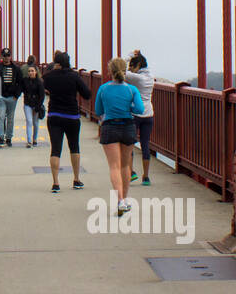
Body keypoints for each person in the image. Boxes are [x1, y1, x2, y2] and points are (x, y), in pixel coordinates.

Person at [93, 57, 144, 214]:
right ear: (125, 71)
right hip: (128, 127)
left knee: (114, 166)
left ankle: (120, 200)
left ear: (110, 71)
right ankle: (126, 200)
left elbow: (98, 111)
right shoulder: (131, 90)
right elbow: (140, 110)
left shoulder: (103, 89)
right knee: (125, 165)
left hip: (110, 127)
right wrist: (128, 107)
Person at [42, 50, 91, 191]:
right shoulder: (74, 76)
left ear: (56, 62)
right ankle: (76, 179)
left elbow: (41, 87)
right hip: (72, 116)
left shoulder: (49, 77)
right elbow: (87, 94)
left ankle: (56, 183)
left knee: (55, 149)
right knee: (74, 147)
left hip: (55, 115)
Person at [124, 50, 156, 186]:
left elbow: (123, 71)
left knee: (130, 143)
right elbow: (143, 65)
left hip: (136, 114)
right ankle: (146, 177)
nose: (131, 68)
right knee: (145, 144)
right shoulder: (149, 76)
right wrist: (139, 56)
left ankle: (131, 172)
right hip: (149, 114)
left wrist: (130, 55)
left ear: (138, 66)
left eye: (133, 66)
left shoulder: (137, 78)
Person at [0, 47, 23, 147]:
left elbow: (20, 83)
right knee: (0, 117)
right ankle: (0, 137)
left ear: (10, 56)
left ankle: (9, 138)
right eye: (4, 55)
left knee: (10, 118)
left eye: (8, 55)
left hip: (12, 97)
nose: (6, 57)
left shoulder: (16, 69)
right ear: (2, 56)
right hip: (1, 96)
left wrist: (17, 95)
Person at [20, 64, 46, 149]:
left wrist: (38, 106)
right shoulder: (25, 81)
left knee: (35, 123)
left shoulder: (39, 82)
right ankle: (29, 141)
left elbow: (42, 95)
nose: (30, 73)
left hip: (36, 104)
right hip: (27, 103)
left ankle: (34, 139)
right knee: (29, 121)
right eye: (29, 71)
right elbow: (21, 89)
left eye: (32, 71)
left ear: (36, 72)